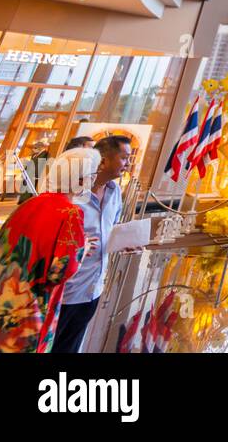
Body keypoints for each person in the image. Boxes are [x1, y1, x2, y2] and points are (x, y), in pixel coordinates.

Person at [0, 147, 96, 353]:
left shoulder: (31, 203)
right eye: (92, 176)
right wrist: (84, 248)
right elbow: (61, 270)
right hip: (27, 309)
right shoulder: (70, 213)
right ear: (80, 181)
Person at [53, 135, 133, 353]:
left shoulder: (115, 192)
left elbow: (111, 226)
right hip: (64, 288)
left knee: (71, 347)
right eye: (124, 158)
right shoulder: (72, 192)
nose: (128, 164)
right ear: (104, 160)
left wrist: (125, 241)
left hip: (92, 288)